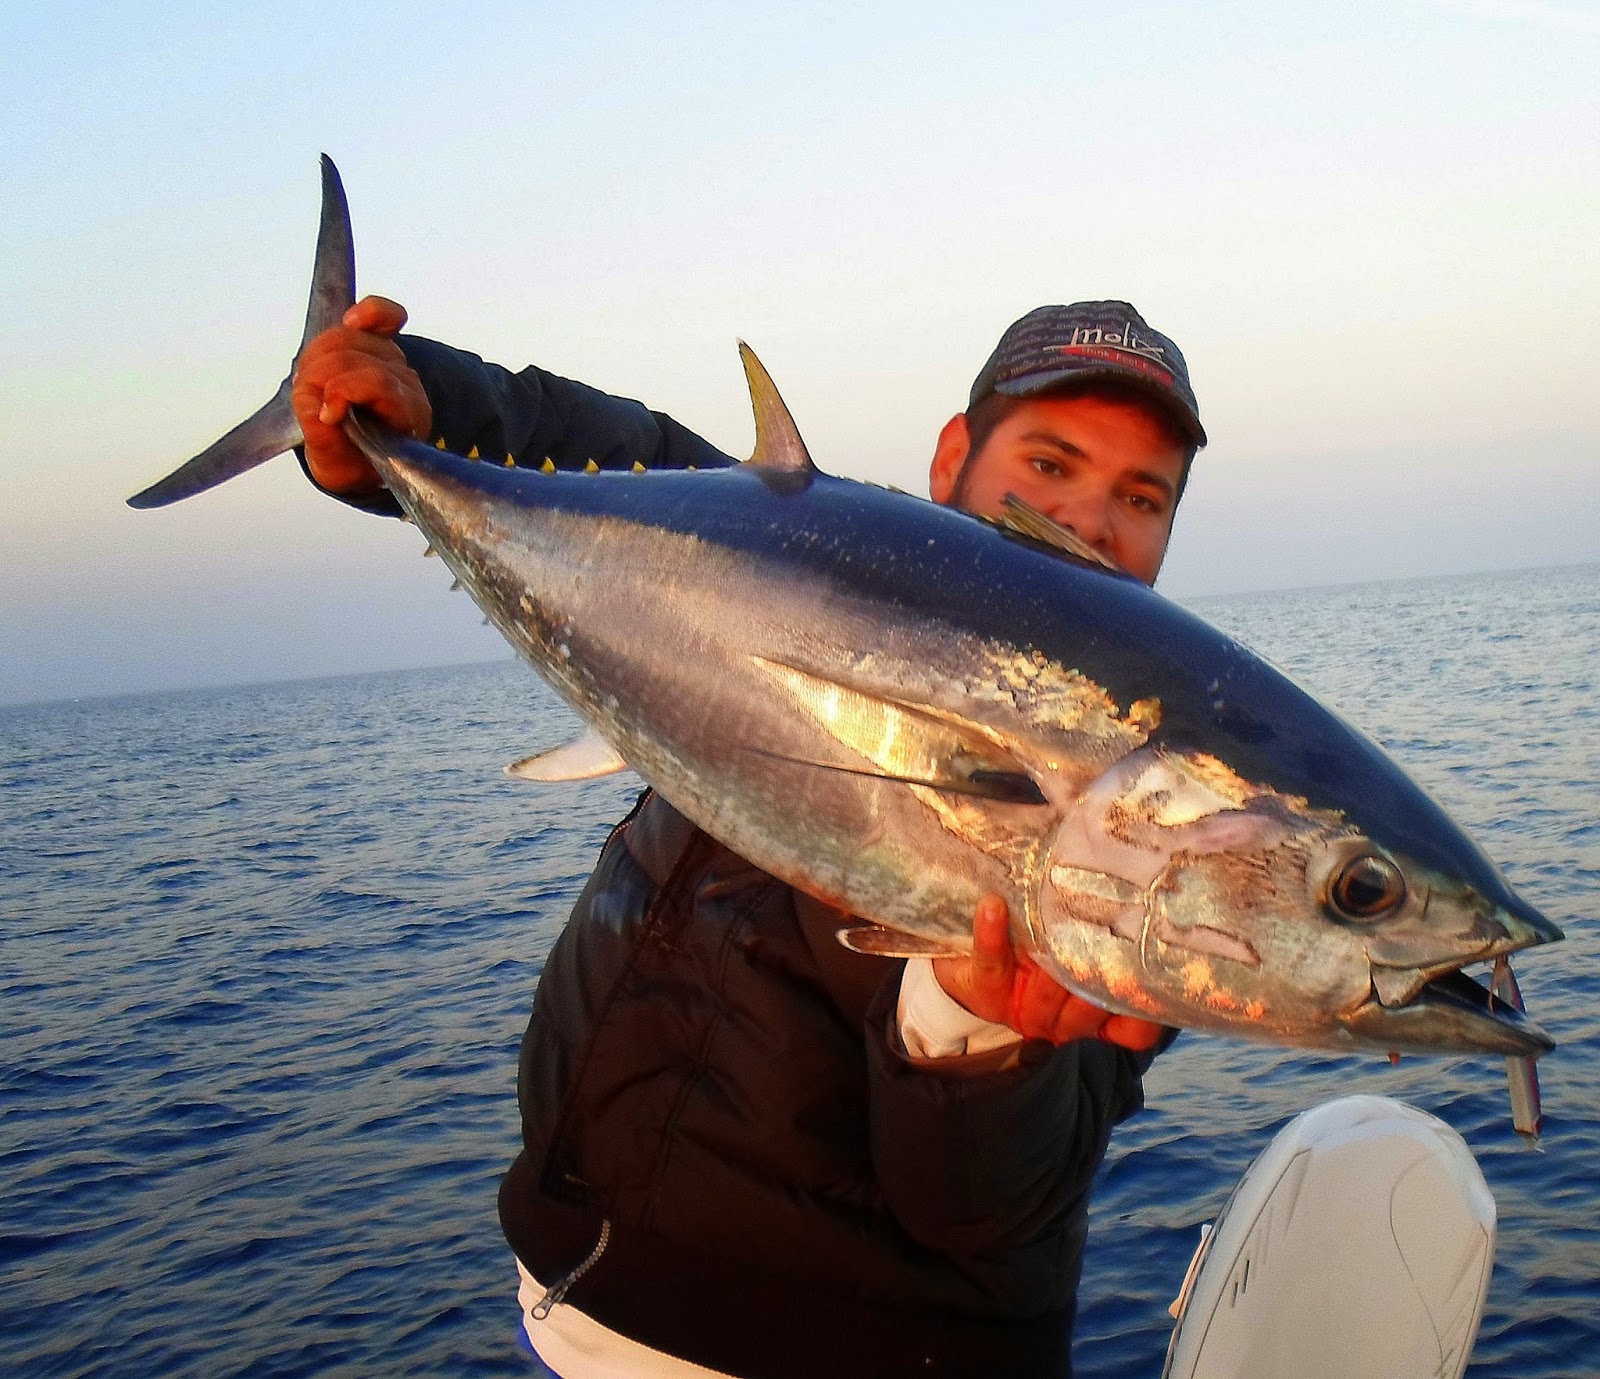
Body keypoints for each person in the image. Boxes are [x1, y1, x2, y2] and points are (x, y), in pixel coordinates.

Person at [291, 298, 1206, 1378]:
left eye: (1138, 496)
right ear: (954, 453)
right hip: (567, 1300)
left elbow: (985, 1214)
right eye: (1049, 463)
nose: (1091, 521)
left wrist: (979, 1038)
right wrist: (410, 397)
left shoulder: (1164, 826)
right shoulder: (776, 544)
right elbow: (592, 446)